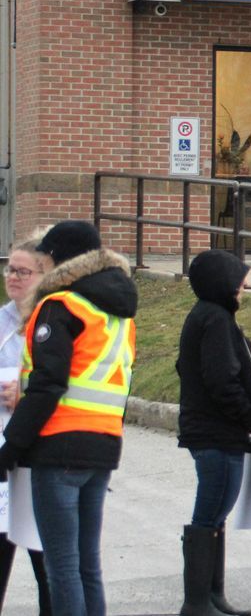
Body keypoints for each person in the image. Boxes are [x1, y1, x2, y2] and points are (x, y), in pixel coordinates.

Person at [0, 220, 137, 616]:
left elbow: (48, 384)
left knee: (62, 567)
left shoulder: (60, 305)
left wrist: (11, 447)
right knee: (87, 565)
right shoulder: (117, 312)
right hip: (103, 443)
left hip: (59, 446)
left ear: (56, 258)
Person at [176, 250, 251, 616]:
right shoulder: (213, 319)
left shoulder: (211, 316)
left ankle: (213, 596)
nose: (243, 288)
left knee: (216, 514)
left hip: (216, 431)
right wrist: (249, 418)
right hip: (215, 432)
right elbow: (221, 380)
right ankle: (197, 601)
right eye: (238, 282)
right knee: (210, 512)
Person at [0, 237, 51, 616]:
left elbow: (60, 382)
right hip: (3, 451)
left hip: (40, 452)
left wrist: (25, 389)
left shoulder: (51, 322)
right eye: (9, 269)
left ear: (44, 275)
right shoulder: (2, 320)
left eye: (23, 271)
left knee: (44, 553)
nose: (13, 277)